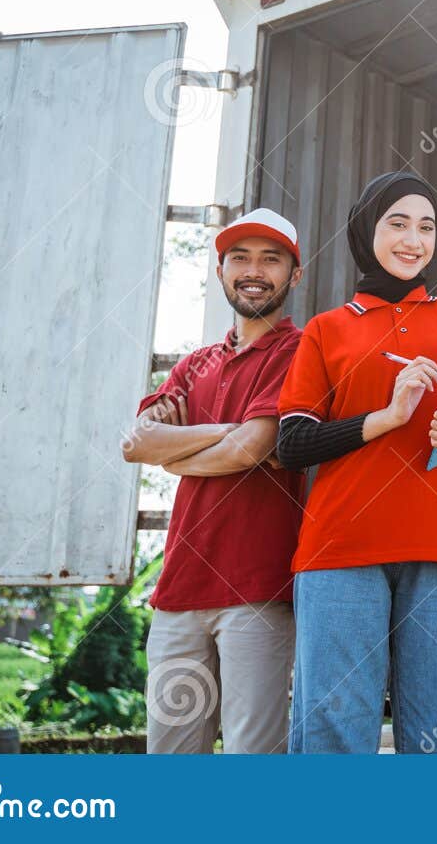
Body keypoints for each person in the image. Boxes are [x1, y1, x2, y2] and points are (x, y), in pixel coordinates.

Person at [275, 169, 437, 754]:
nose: (414, 240)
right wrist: (385, 416)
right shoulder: (326, 331)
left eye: (427, 227)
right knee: (334, 731)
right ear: (366, 231)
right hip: (341, 550)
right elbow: (292, 444)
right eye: (398, 223)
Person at [121, 207, 306, 754]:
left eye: (271, 260)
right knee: (171, 757)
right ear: (221, 270)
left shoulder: (300, 352)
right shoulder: (194, 365)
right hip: (178, 592)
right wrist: (230, 436)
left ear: (294, 275)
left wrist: (184, 452)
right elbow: (137, 443)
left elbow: (256, 446)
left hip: (257, 590)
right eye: (240, 259)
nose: (254, 270)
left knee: (253, 758)